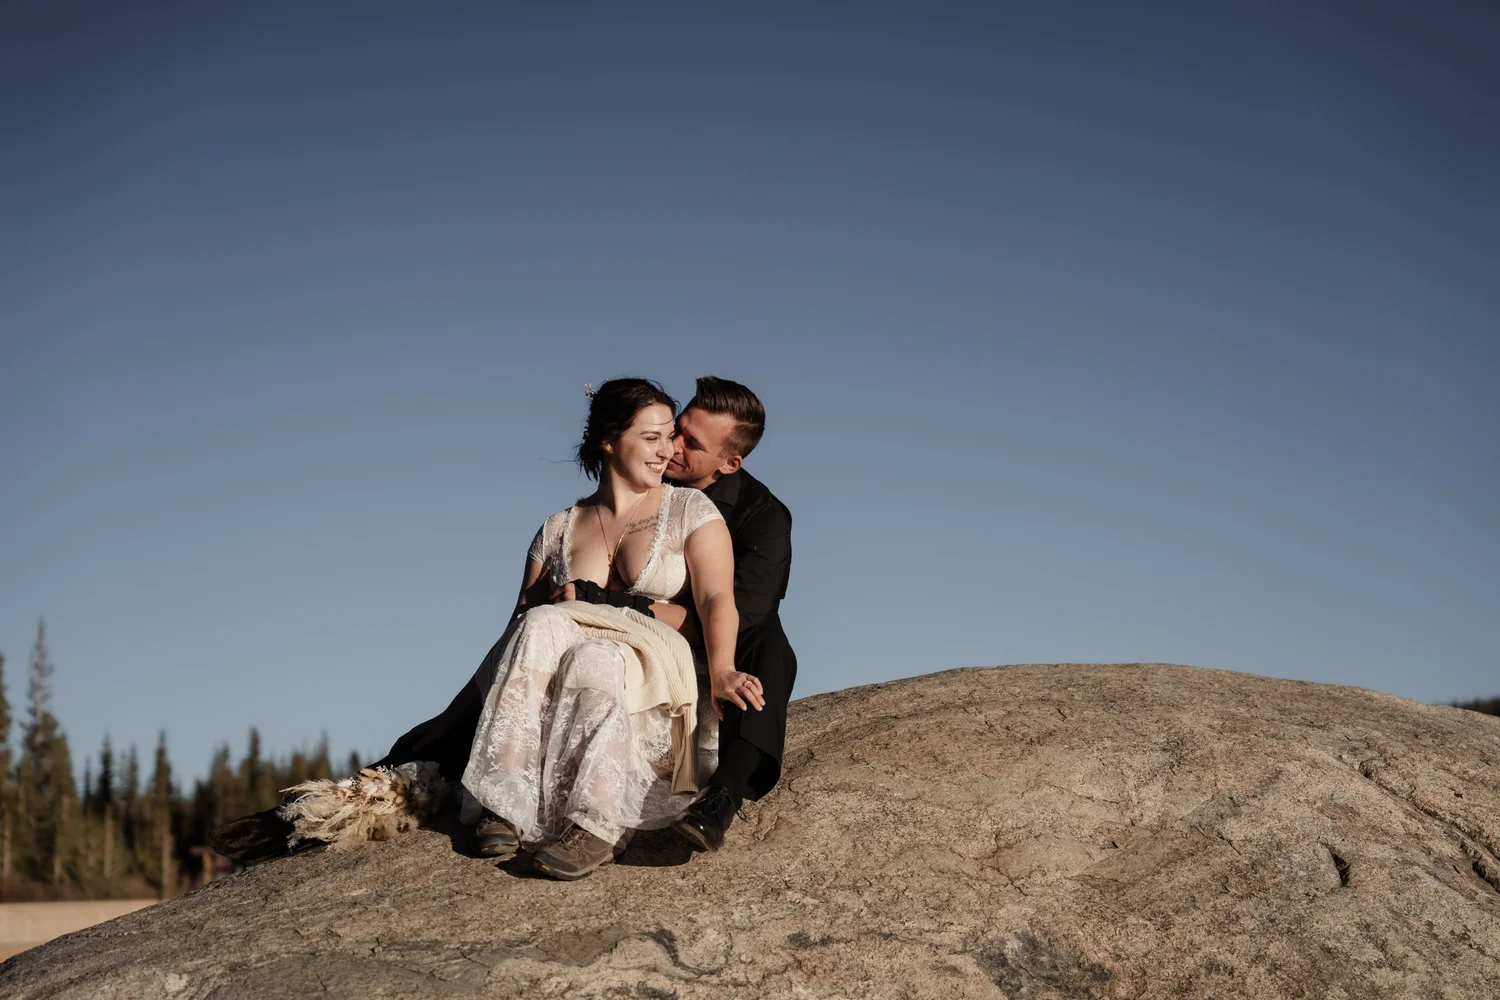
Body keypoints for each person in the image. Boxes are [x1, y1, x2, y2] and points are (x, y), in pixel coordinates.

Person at [210, 376, 794, 867]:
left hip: (664, 657)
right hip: (566, 652)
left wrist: (688, 649)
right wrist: (469, 703)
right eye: (666, 434)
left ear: (729, 461)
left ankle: (702, 801)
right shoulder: (562, 524)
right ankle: (487, 800)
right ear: (611, 441)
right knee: (498, 676)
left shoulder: (727, 514)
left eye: (683, 441)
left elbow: (731, 607)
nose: (671, 449)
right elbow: (518, 623)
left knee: (768, 649)